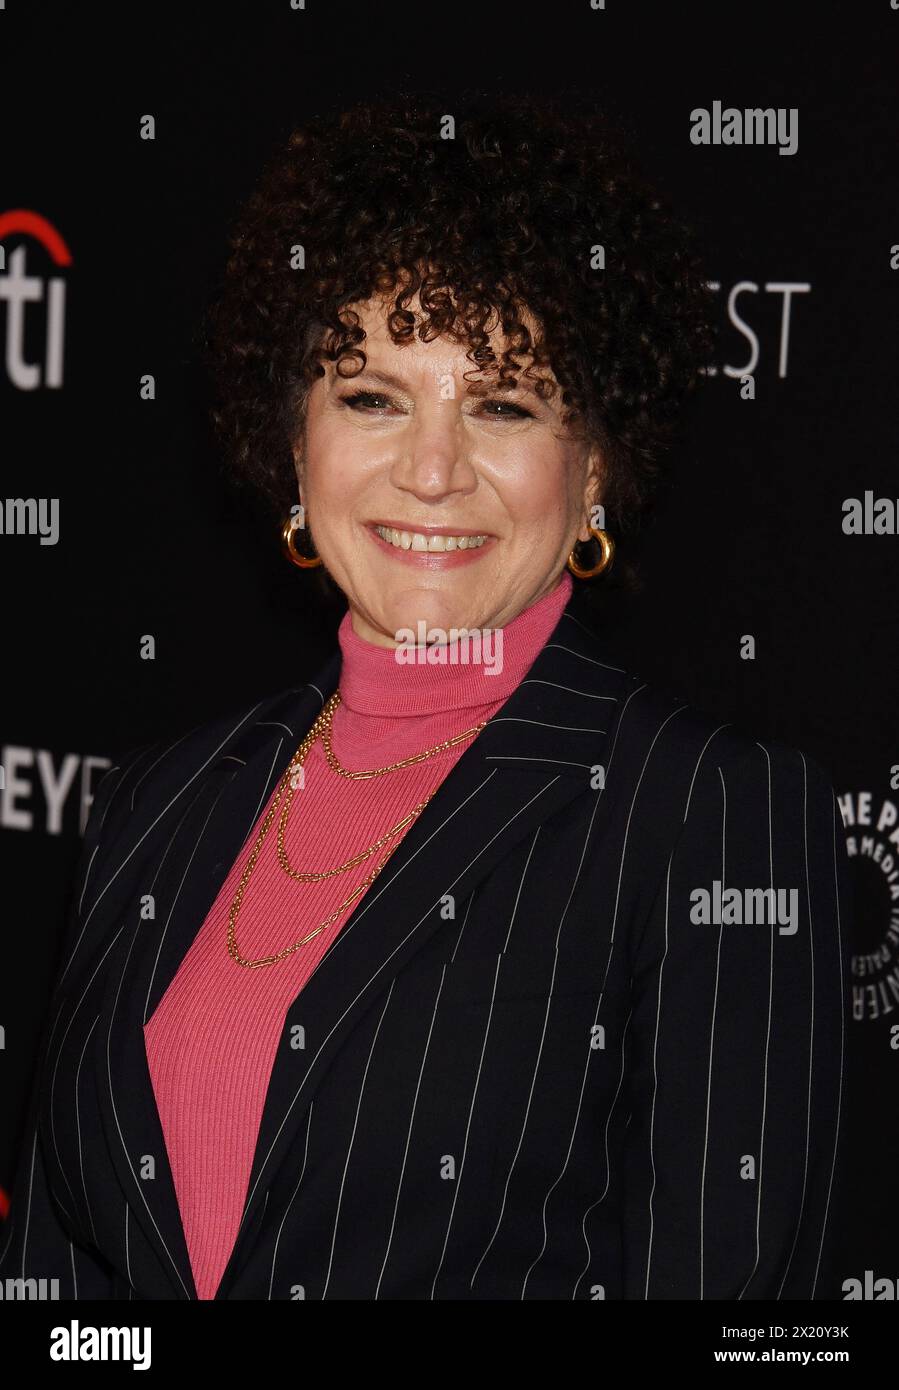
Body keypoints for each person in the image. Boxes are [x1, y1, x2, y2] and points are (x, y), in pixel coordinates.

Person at [0, 92, 851, 1300]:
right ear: (294, 446)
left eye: (501, 404)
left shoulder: (708, 812)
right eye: (370, 397)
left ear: (595, 461)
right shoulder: (160, 799)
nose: (432, 470)